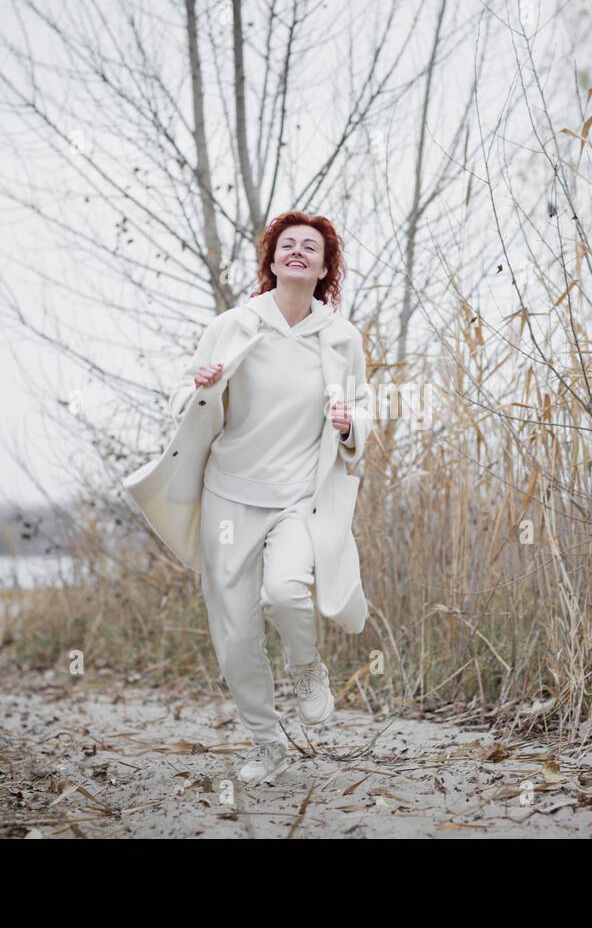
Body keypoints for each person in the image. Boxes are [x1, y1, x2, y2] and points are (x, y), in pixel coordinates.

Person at [181, 211, 365, 785]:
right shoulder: (236, 325)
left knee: (286, 593)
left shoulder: (340, 336)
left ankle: (306, 667)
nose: (298, 253)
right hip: (230, 495)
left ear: (324, 266)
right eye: (288, 245)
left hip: (297, 498)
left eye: (311, 247)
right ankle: (266, 743)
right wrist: (201, 387)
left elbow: (361, 418)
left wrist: (346, 424)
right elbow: (184, 401)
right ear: (272, 260)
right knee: (235, 633)